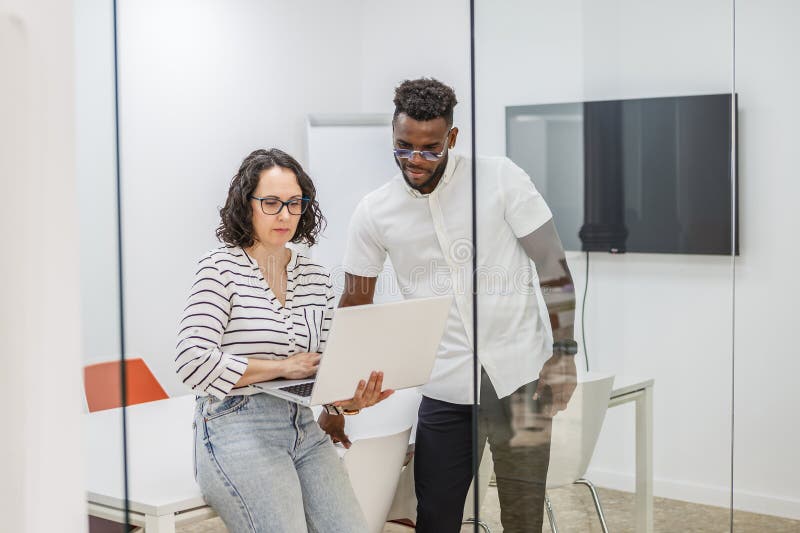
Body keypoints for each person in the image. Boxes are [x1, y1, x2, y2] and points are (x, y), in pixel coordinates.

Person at [318, 78, 578, 532]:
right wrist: (335, 401)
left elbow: (552, 266)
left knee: (522, 517)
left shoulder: (501, 179)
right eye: (403, 147)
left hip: (519, 380)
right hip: (444, 389)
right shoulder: (375, 211)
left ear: (451, 139)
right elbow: (356, 305)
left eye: (430, 149)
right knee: (435, 518)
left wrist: (564, 355)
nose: (415, 160)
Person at [175, 148, 392, 533]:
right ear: (247, 205)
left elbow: (323, 364)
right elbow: (192, 361)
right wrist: (280, 368)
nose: (284, 215)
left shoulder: (314, 275)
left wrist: (349, 399)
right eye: (271, 202)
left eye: (294, 203)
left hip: (302, 425)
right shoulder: (219, 267)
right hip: (235, 425)